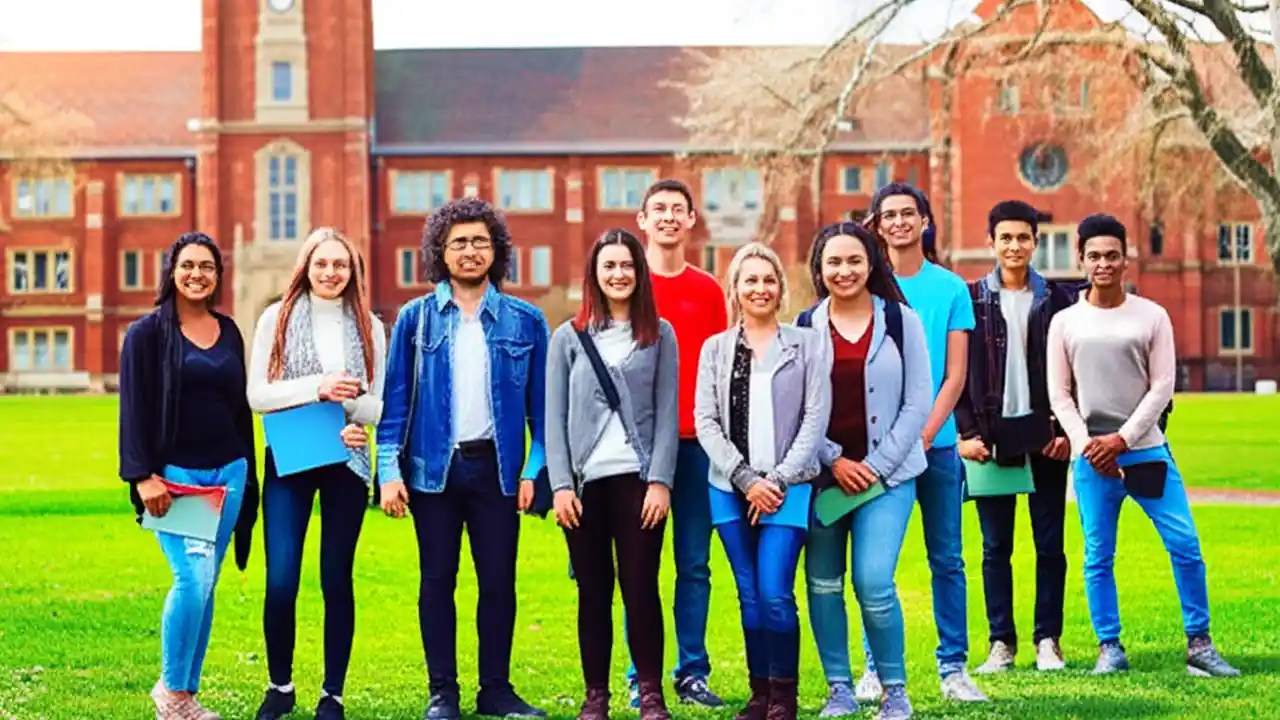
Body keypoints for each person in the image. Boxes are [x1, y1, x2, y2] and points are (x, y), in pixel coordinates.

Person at [375, 197, 550, 720]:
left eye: (480, 241)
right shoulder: (415, 319)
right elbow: (395, 405)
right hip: (433, 472)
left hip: (497, 471)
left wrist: (533, 470)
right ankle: (442, 693)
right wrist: (388, 471)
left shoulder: (526, 320)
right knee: (437, 582)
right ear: (440, 251)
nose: (470, 251)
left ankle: (496, 689)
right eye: (459, 243)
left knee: (497, 583)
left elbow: (543, 413)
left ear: (496, 250)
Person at [1047, 214, 1240, 678]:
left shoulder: (1152, 316)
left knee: (1185, 545)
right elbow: (1059, 393)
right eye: (1094, 256)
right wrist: (1087, 444)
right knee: (1098, 555)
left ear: (1125, 260)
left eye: (1112, 255)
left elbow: (1162, 385)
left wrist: (1122, 439)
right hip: (1092, 458)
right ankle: (1109, 647)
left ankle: (1199, 645)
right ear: (1081, 259)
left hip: (1147, 450)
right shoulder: (1065, 322)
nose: (1104, 264)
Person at [117, 231, 259, 720]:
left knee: (207, 582)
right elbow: (132, 409)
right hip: (178, 478)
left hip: (230, 472)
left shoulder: (230, 331)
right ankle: (172, 692)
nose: (197, 274)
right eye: (188, 265)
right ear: (172, 272)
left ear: (218, 275)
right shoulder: (146, 334)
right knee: (192, 579)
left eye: (207, 267)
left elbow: (240, 409)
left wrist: (248, 473)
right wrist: (141, 476)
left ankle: (185, 696)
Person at [246, 228, 387, 720]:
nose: (330, 273)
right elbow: (258, 395)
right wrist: (319, 388)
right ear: (305, 266)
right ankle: (279, 686)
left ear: (353, 271)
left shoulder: (369, 326)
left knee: (336, 578)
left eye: (340, 265)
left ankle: (333, 694)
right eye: (322, 263)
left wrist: (353, 415)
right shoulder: (276, 318)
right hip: (291, 456)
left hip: (347, 459)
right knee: (282, 578)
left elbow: (379, 406)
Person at [858, 183, 987, 703]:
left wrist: (926, 433)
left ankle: (953, 668)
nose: (899, 222)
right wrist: (892, 443)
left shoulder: (951, 288)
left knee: (947, 559)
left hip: (938, 447)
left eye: (908, 213)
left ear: (925, 221)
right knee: (875, 564)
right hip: (877, 451)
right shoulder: (864, 286)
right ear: (876, 225)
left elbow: (954, 375)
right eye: (888, 215)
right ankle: (873, 668)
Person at [798, 223, 931, 720]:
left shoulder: (901, 320)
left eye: (854, 260)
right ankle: (839, 689)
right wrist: (834, 459)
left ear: (871, 263)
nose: (844, 271)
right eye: (833, 262)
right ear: (819, 269)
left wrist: (873, 467)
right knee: (823, 583)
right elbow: (798, 407)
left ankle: (895, 692)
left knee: (873, 581)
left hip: (887, 479)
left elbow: (918, 401)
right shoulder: (806, 326)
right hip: (824, 478)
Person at [693, 242, 832, 720]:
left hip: (788, 488)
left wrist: (776, 481)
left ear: (781, 288)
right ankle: (760, 694)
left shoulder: (808, 344)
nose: (760, 288)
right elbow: (706, 421)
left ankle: (784, 697)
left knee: (775, 593)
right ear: (735, 289)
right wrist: (746, 479)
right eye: (750, 280)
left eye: (768, 279)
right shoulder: (716, 349)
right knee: (750, 596)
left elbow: (815, 419)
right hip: (729, 488)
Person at [545, 229, 679, 720]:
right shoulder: (568, 337)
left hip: (639, 483)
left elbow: (668, 413)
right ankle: (596, 696)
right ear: (595, 274)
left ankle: (651, 694)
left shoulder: (660, 334)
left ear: (639, 273)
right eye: (609, 266)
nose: (618, 274)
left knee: (641, 586)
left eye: (627, 265)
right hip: (585, 486)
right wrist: (561, 486)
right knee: (593, 591)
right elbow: (554, 417)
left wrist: (661, 481)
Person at [952, 201, 1076, 676]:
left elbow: (1074, 371)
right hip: (991, 438)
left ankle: (1048, 640)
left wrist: (1065, 431)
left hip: (1046, 435)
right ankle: (1001, 642)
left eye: (1023, 237)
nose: (1014, 246)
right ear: (991, 242)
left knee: (1050, 544)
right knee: (994, 547)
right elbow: (955, 374)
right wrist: (966, 434)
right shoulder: (971, 300)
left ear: (1035, 242)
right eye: (1005, 237)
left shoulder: (1060, 300)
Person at [623, 179, 727, 708]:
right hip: (636, 452)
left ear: (690, 220)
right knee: (638, 566)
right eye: (658, 209)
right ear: (642, 220)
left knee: (694, 564)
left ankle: (692, 672)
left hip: (697, 447)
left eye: (677, 209)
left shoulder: (708, 291)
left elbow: (722, 369)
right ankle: (638, 674)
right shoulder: (622, 283)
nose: (668, 216)